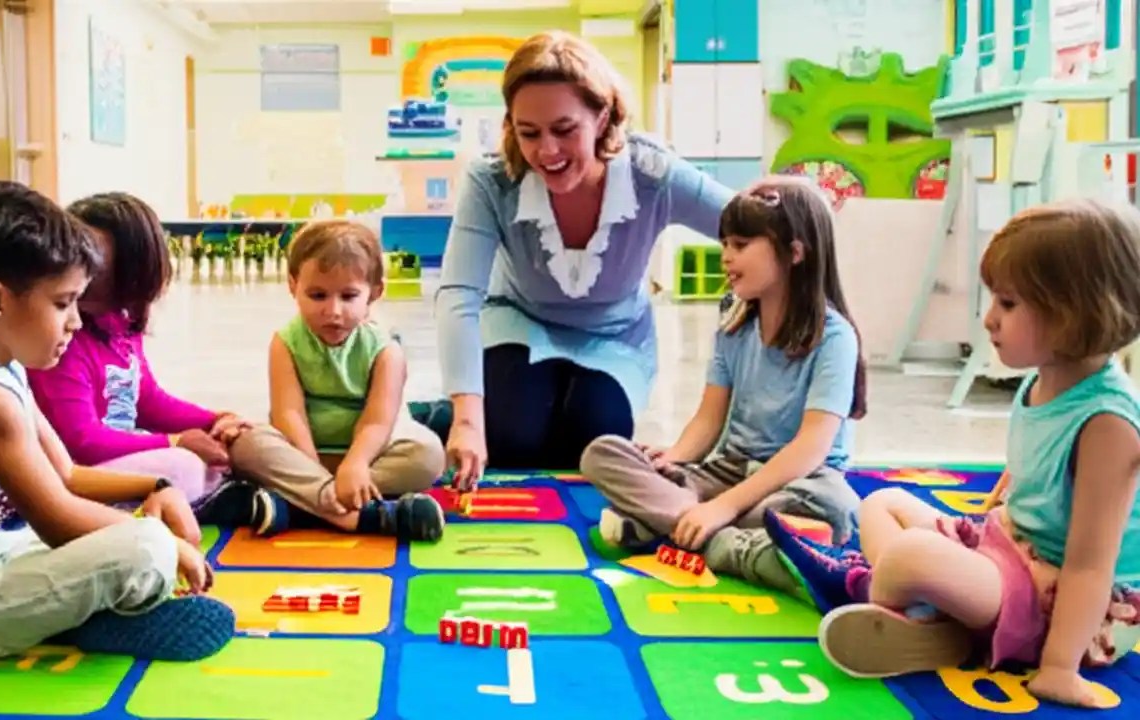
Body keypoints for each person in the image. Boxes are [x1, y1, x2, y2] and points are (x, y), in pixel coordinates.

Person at [773, 199, 1140, 709]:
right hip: (1014, 552)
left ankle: (870, 585)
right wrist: (988, 519)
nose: (989, 319)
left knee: (908, 556)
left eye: (1009, 305)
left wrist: (1058, 666)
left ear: (1075, 313)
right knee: (880, 505)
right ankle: (935, 624)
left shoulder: (1110, 426)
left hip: (1068, 604)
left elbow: (1090, 566)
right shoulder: (1043, 379)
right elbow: (1029, 467)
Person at [0, 181, 233, 663]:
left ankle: (87, 612)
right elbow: (58, 518)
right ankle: (91, 620)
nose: (76, 322)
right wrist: (158, 539)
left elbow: (66, 474)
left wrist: (156, 486)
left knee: (123, 531)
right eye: (63, 303)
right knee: (144, 549)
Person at [429, 30, 734, 482]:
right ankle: (435, 414)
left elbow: (746, 222)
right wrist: (468, 419)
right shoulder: (493, 180)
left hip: (615, 336)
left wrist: (791, 208)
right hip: (519, 321)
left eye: (564, 130)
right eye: (528, 132)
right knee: (511, 437)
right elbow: (458, 293)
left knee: (593, 442)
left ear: (602, 115)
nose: (546, 151)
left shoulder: (651, 175)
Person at [581, 177, 866, 598]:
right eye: (725, 244)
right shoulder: (735, 322)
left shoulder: (834, 337)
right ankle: (732, 542)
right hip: (729, 471)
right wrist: (675, 457)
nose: (726, 257)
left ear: (795, 252)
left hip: (801, 480)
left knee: (834, 509)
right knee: (601, 452)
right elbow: (708, 417)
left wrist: (724, 507)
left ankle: (667, 527)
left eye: (740, 245)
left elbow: (811, 448)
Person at [28, 192, 283, 533]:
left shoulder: (118, 323)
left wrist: (216, 420)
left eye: (95, 260)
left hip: (123, 452)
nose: (81, 267)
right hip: (83, 472)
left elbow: (147, 400)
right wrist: (174, 441)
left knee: (243, 437)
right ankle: (218, 501)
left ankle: (231, 494)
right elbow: (81, 439)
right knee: (184, 466)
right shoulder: (62, 341)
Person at [229, 219, 447, 541]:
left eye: (348, 296)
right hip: (306, 453)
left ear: (375, 293)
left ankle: (303, 504)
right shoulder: (285, 342)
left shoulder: (386, 350)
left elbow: (378, 421)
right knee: (246, 446)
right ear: (293, 286)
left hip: (371, 455)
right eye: (317, 295)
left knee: (428, 455)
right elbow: (289, 414)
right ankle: (351, 510)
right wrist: (315, 470)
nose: (333, 311)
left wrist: (356, 464)